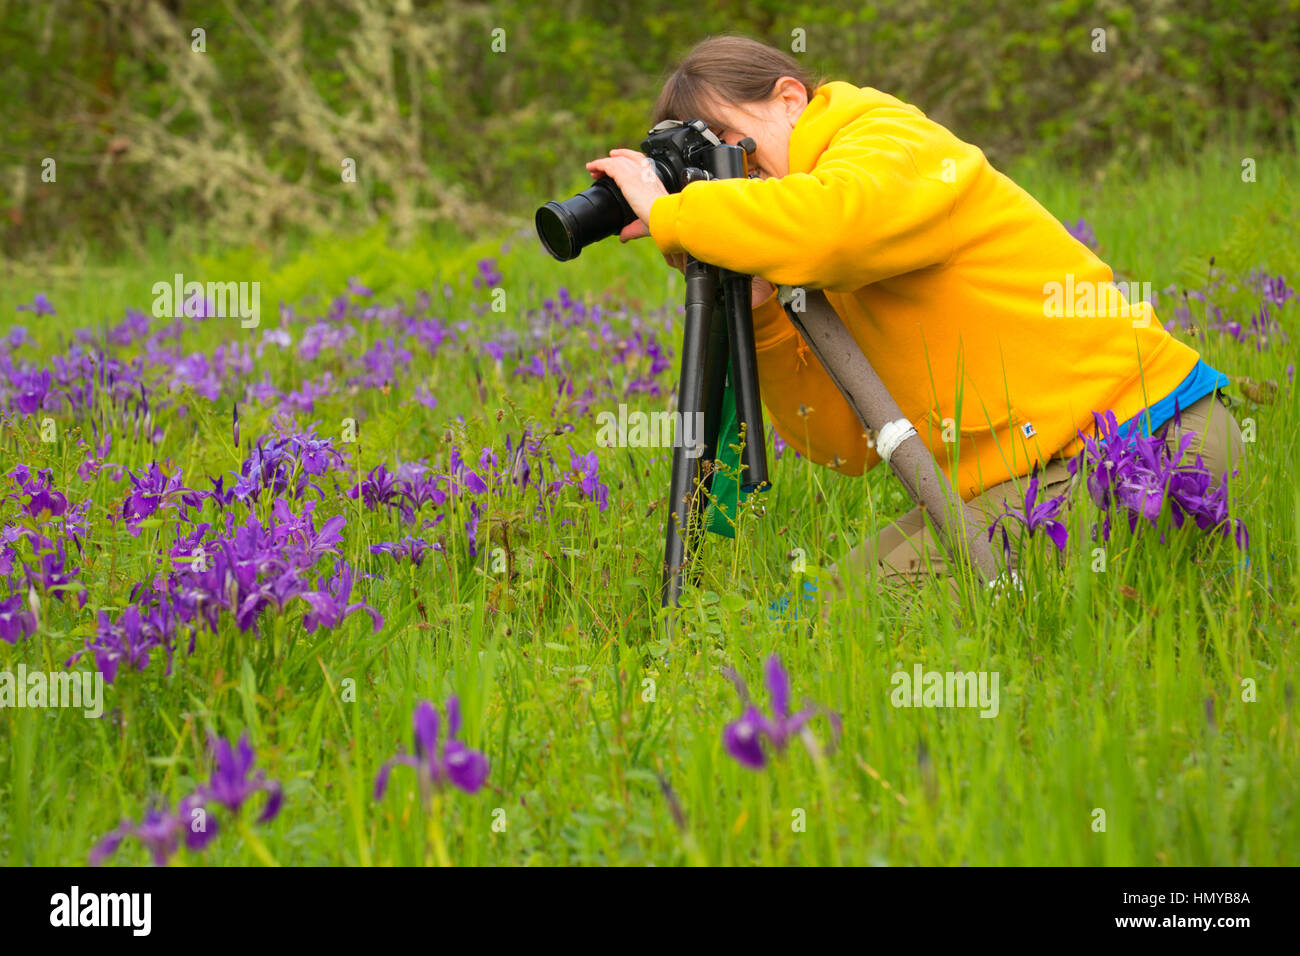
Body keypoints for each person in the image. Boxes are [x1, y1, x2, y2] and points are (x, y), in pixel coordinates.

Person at [584, 34, 1249, 605]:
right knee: (808, 614)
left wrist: (676, 215)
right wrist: (759, 309)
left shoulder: (884, 140)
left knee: (840, 631)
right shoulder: (808, 237)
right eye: (714, 162)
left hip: (1144, 442)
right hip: (1032, 474)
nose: (739, 177)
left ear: (791, 99)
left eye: (738, 146)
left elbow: (830, 229)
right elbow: (841, 441)